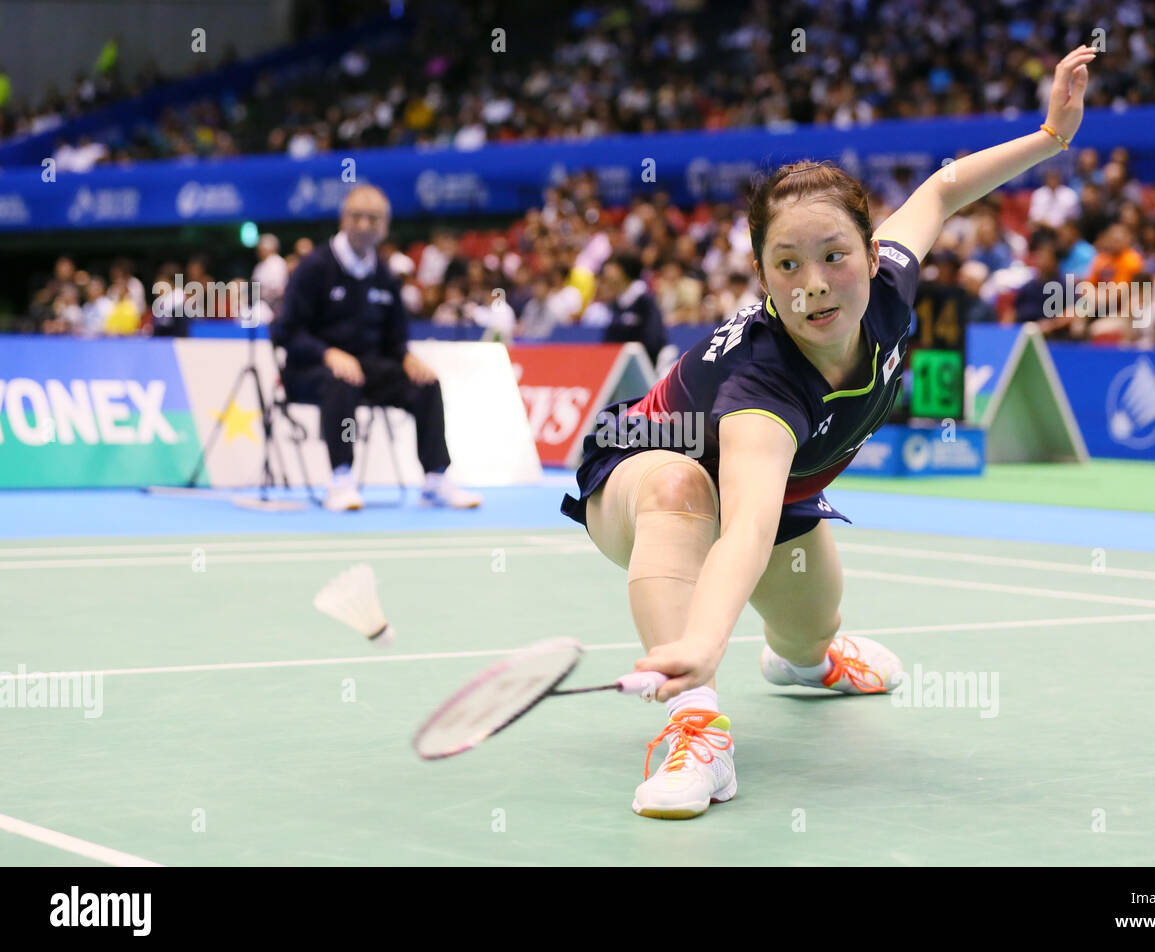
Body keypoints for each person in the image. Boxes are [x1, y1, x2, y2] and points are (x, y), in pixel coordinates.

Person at [559, 46, 1097, 819]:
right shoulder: (762, 385)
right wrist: (706, 648)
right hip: (644, 473)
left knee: (813, 627)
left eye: (833, 256)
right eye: (786, 265)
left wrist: (1052, 134)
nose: (813, 284)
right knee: (684, 489)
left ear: (873, 257)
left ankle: (807, 664)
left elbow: (942, 188)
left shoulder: (885, 294)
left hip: (780, 490)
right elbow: (740, 530)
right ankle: (695, 731)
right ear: (763, 276)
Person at [271, 185, 481, 512]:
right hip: (309, 370)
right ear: (343, 219)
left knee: (426, 383)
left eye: (374, 219)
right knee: (342, 380)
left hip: (367, 368)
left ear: (385, 226)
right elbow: (286, 332)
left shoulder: (384, 274)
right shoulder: (314, 268)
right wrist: (329, 354)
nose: (365, 225)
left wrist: (408, 357)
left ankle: (435, 479)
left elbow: (395, 340)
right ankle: (341, 479)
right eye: (358, 216)